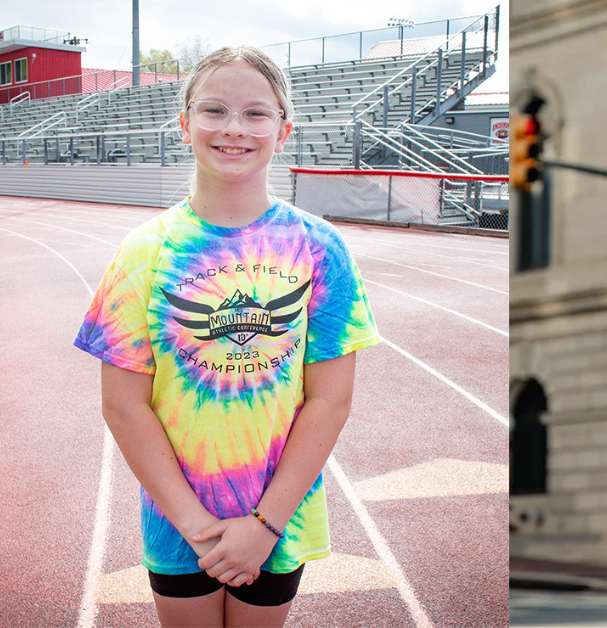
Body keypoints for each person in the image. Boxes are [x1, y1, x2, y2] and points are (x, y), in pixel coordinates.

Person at [73, 46, 380, 628]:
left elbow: (330, 400)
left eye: (256, 114)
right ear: (185, 123)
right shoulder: (144, 251)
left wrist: (263, 526)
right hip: (180, 521)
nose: (234, 129)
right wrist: (196, 524)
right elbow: (123, 404)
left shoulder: (319, 248)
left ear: (283, 130)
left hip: (279, 522)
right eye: (214, 111)